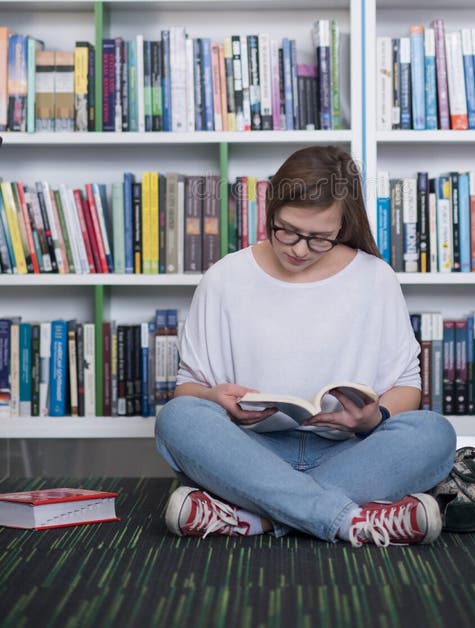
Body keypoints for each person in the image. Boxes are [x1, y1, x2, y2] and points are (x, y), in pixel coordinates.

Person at [155, 145, 456, 547]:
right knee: (178, 419)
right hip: (248, 454)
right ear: (271, 210)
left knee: (434, 433)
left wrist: (373, 417)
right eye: (288, 231)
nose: (299, 249)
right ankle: (350, 519)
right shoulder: (224, 277)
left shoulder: (375, 277)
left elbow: (406, 385)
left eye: (319, 239)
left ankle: (255, 517)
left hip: (349, 453)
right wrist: (213, 397)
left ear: (342, 225)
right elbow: (188, 388)